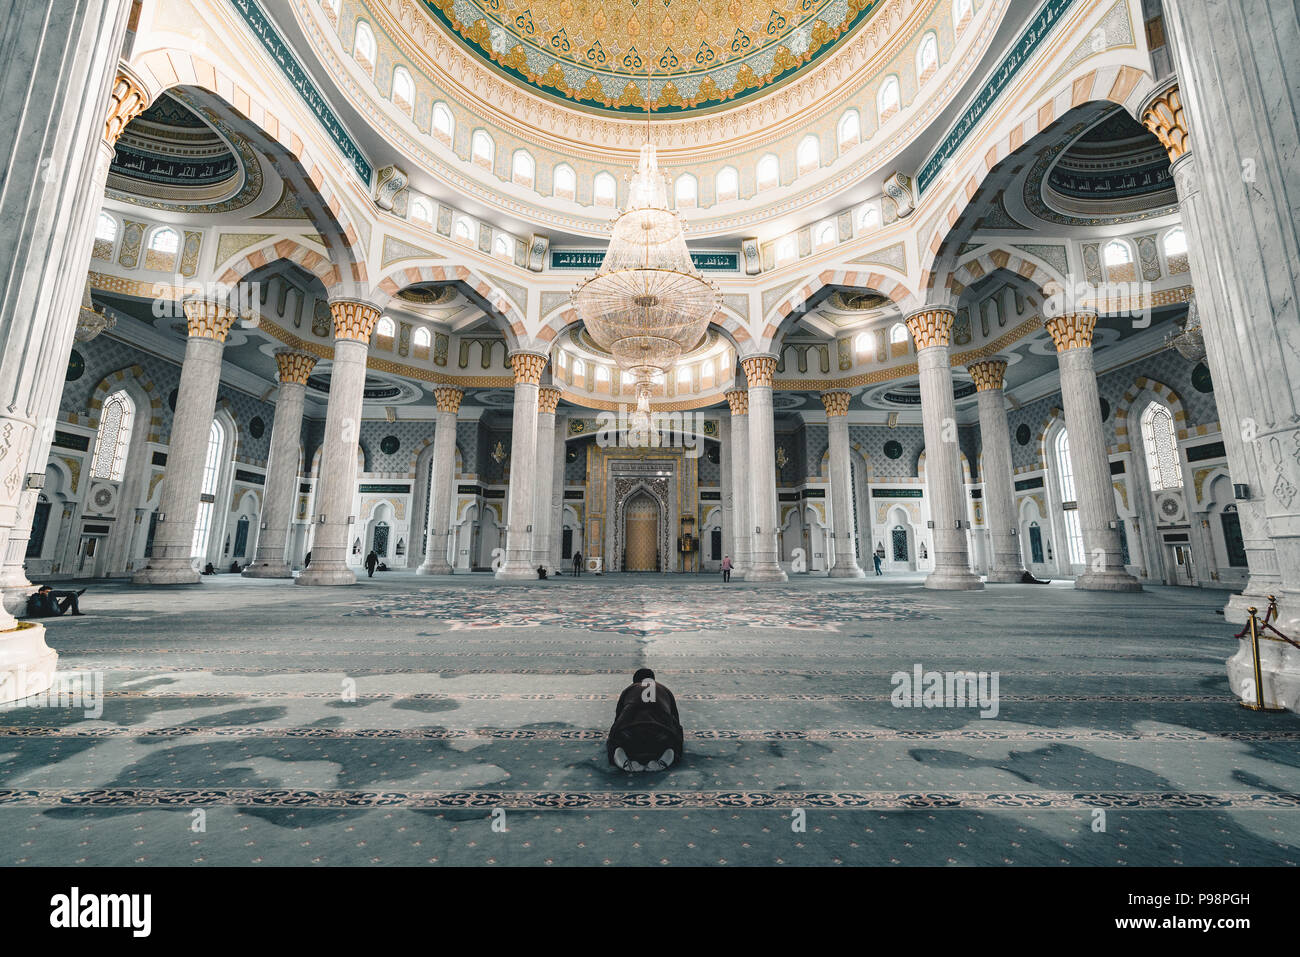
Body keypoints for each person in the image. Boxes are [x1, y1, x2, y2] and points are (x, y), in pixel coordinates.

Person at [606, 668, 683, 773]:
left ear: (636, 681)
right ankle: (664, 760)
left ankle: (624, 762)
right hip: (660, 734)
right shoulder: (665, 689)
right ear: (653, 679)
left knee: (614, 742)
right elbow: (676, 719)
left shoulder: (629, 689)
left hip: (631, 733)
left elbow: (618, 717)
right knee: (673, 741)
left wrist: (614, 737)